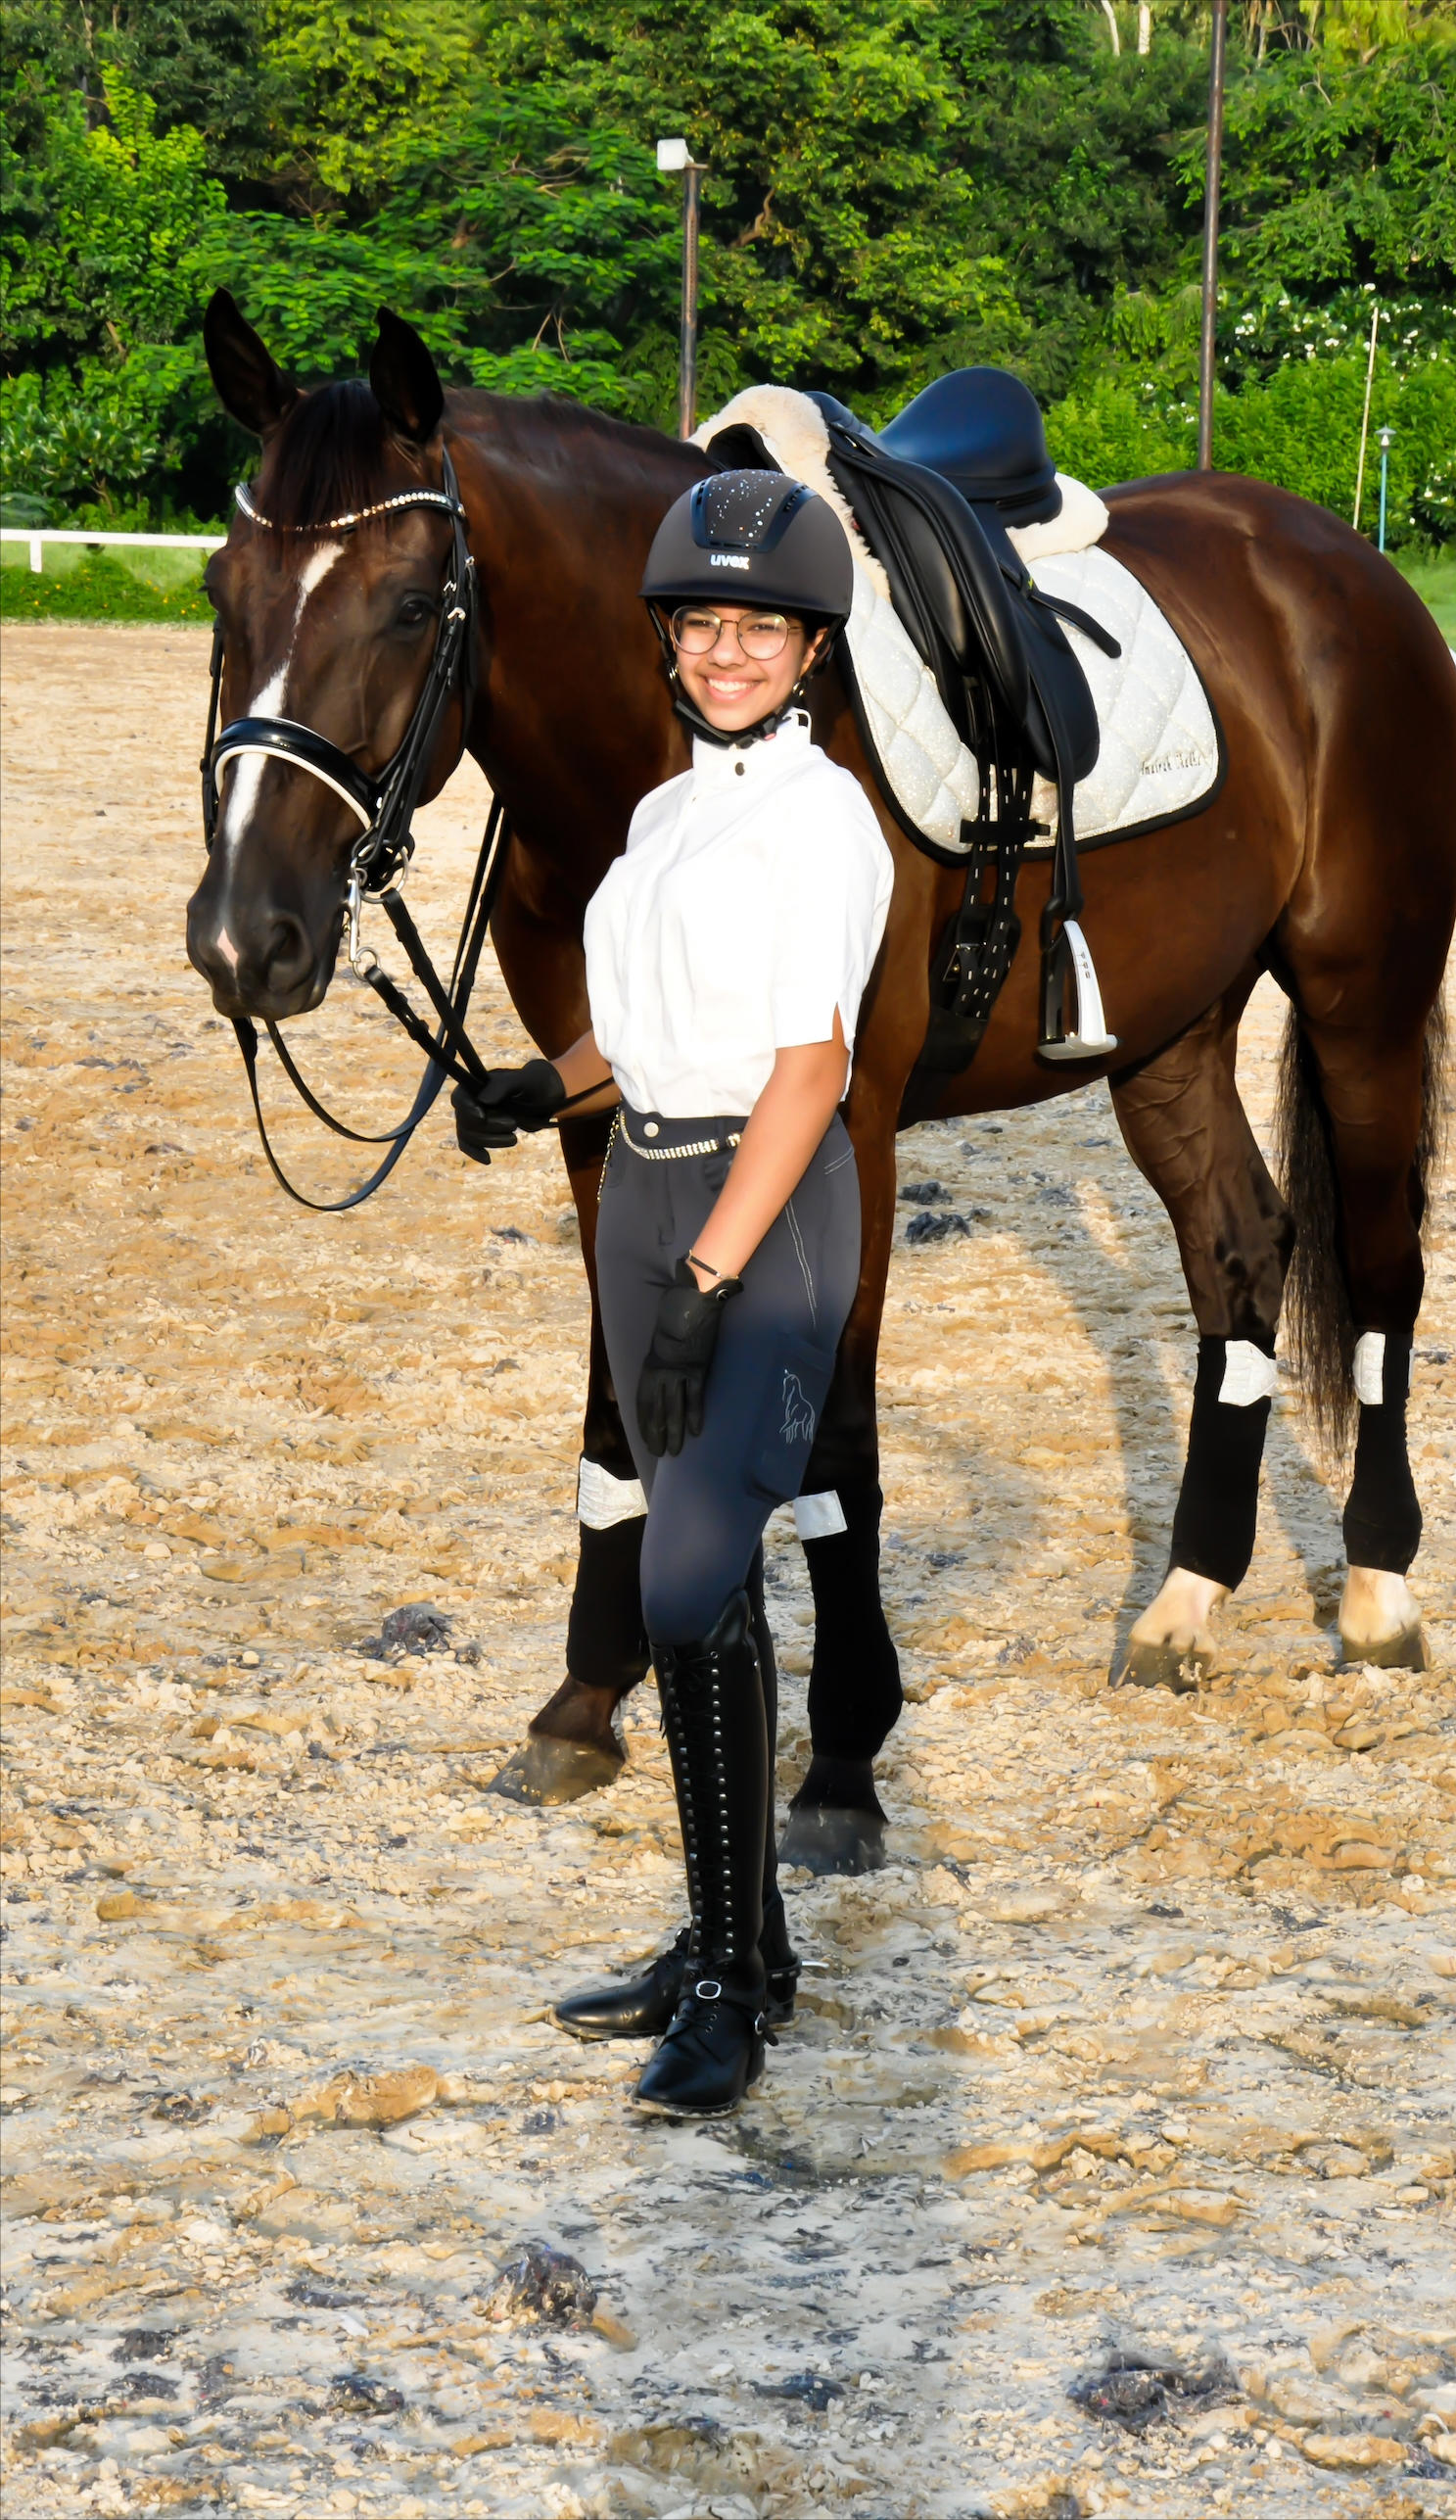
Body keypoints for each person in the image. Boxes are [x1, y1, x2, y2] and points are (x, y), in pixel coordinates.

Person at [451, 472, 893, 2115]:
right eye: (701, 623)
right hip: (640, 1187)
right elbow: (645, 1034)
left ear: (809, 648)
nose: (725, 652)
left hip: (752, 1215)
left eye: (759, 629)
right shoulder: (663, 815)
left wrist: (711, 1278)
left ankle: (731, 1988)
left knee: (690, 1578)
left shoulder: (822, 821)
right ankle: (735, 1938)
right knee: (689, 1579)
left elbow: (807, 1070)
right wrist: (545, 1081)